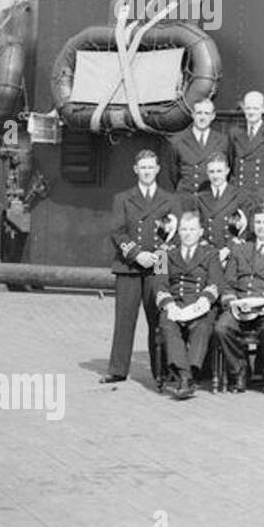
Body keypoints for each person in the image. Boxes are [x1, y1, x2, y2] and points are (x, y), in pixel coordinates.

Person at [102, 149, 182, 386]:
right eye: (143, 168)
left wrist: (156, 257)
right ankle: (117, 369)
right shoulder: (122, 198)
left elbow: (176, 236)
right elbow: (117, 231)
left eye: (151, 167)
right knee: (124, 318)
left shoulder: (171, 200)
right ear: (136, 170)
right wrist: (137, 254)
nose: (147, 172)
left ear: (158, 169)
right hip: (128, 265)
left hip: (159, 264)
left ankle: (161, 370)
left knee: (159, 318)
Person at [213, 203, 264, 394]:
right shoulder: (240, 250)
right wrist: (232, 301)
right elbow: (228, 284)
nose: (261, 226)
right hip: (241, 305)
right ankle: (240, 371)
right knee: (221, 328)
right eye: (257, 222)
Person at [155, 210, 224, 400]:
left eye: (192, 229)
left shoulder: (211, 254)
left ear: (200, 232)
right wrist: (170, 305)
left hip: (199, 304)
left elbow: (216, 283)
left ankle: (188, 374)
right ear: (178, 232)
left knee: (202, 326)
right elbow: (158, 284)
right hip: (175, 303)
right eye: (183, 229)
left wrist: (203, 302)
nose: (187, 233)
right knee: (168, 326)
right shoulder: (163, 254)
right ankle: (186, 376)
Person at [194, 153, 250, 264]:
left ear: (227, 171)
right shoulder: (199, 198)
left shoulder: (240, 195)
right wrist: (211, 252)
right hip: (207, 254)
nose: (215, 176)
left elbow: (246, 230)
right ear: (207, 172)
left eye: (219, 171)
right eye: (212, 172)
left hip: (233, 254)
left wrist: (228, 249)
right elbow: (195, 229)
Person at [166, 97, 229, 196]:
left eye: (206, 113)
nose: (202, 117)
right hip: (186, 199)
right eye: (199, 113)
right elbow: (173, 175)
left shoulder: (223, 141)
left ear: (213, 116)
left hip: (212, 201)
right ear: (193, 115)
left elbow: (228, 173)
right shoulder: (177, 141)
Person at [229, 89, 264, 194]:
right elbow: (230, 162)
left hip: (262, 192)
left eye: (255, 108)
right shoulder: (235, 133)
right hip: (238, 191)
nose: (251, 112)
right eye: (248, 108)